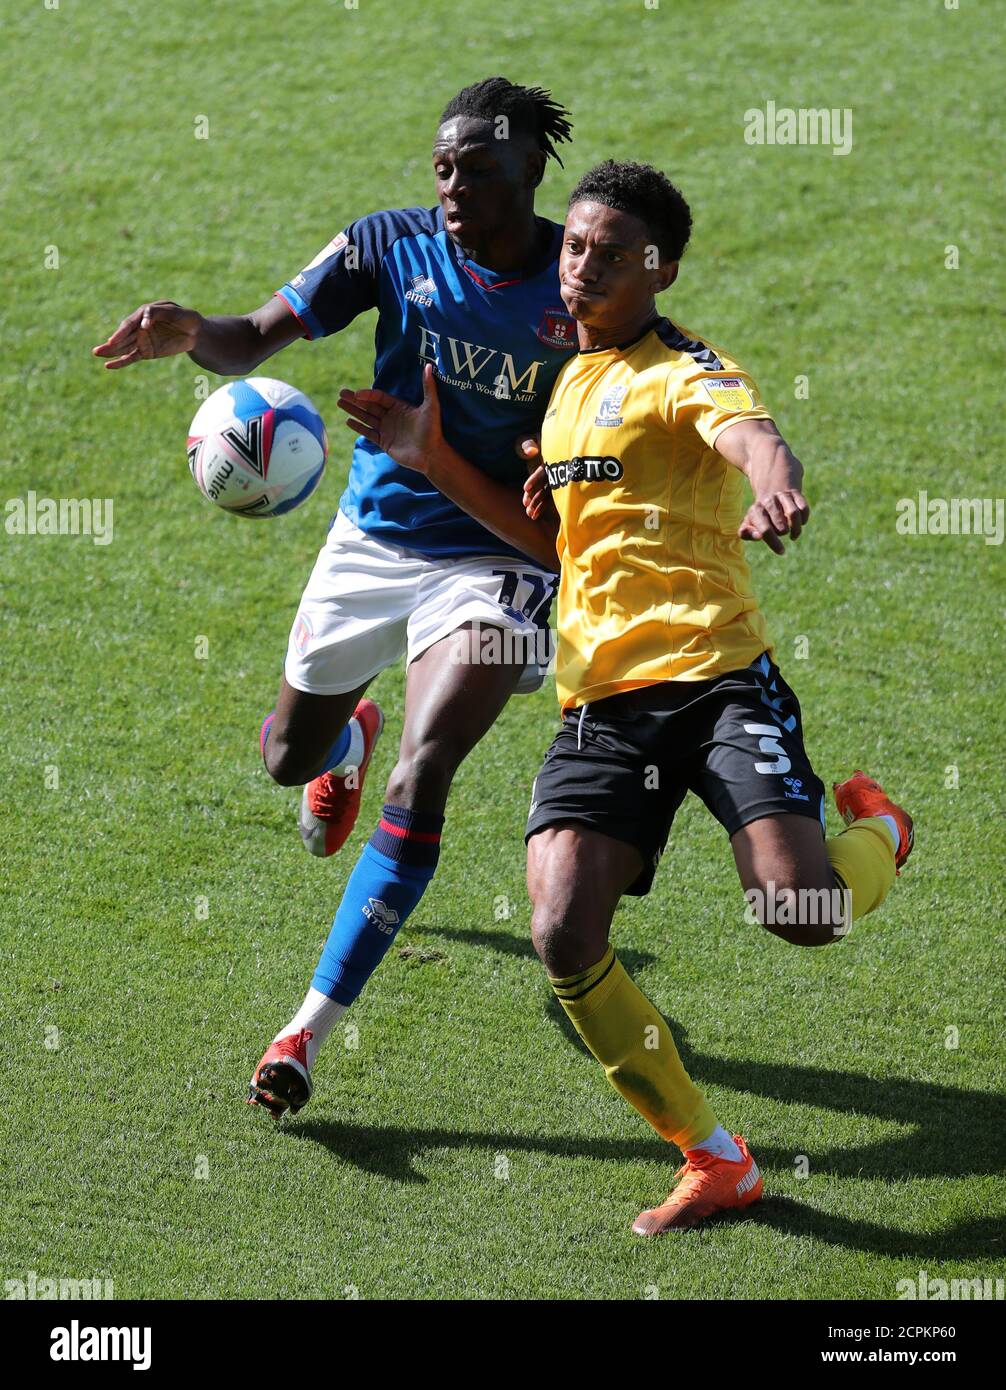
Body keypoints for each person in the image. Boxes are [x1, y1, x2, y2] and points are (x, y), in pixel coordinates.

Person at [334, 159, 915, 1233]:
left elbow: (747, 433)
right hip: (600, 700)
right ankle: (714, 1157)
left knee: (801, 913)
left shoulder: (684, 369)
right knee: (559, 928)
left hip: (714, 680)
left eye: (609, 252)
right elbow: (551, 547)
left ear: (662, 269)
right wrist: (428, 455)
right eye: (573, 246)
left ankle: (877, 834)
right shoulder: (567, 386)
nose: (580, 264)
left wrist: (774, 482)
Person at [92, 78, 579, 1118]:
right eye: (442, 166)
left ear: (533, 169)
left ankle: (304, 1029)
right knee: (285, 759)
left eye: (477, 169)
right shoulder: (386, 246)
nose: (452, 186)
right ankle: (339, 745)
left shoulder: (579, 292)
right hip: (378, 534)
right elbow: (253, 335)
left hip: (500, 551)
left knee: (430, 760)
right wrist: (192, 331)